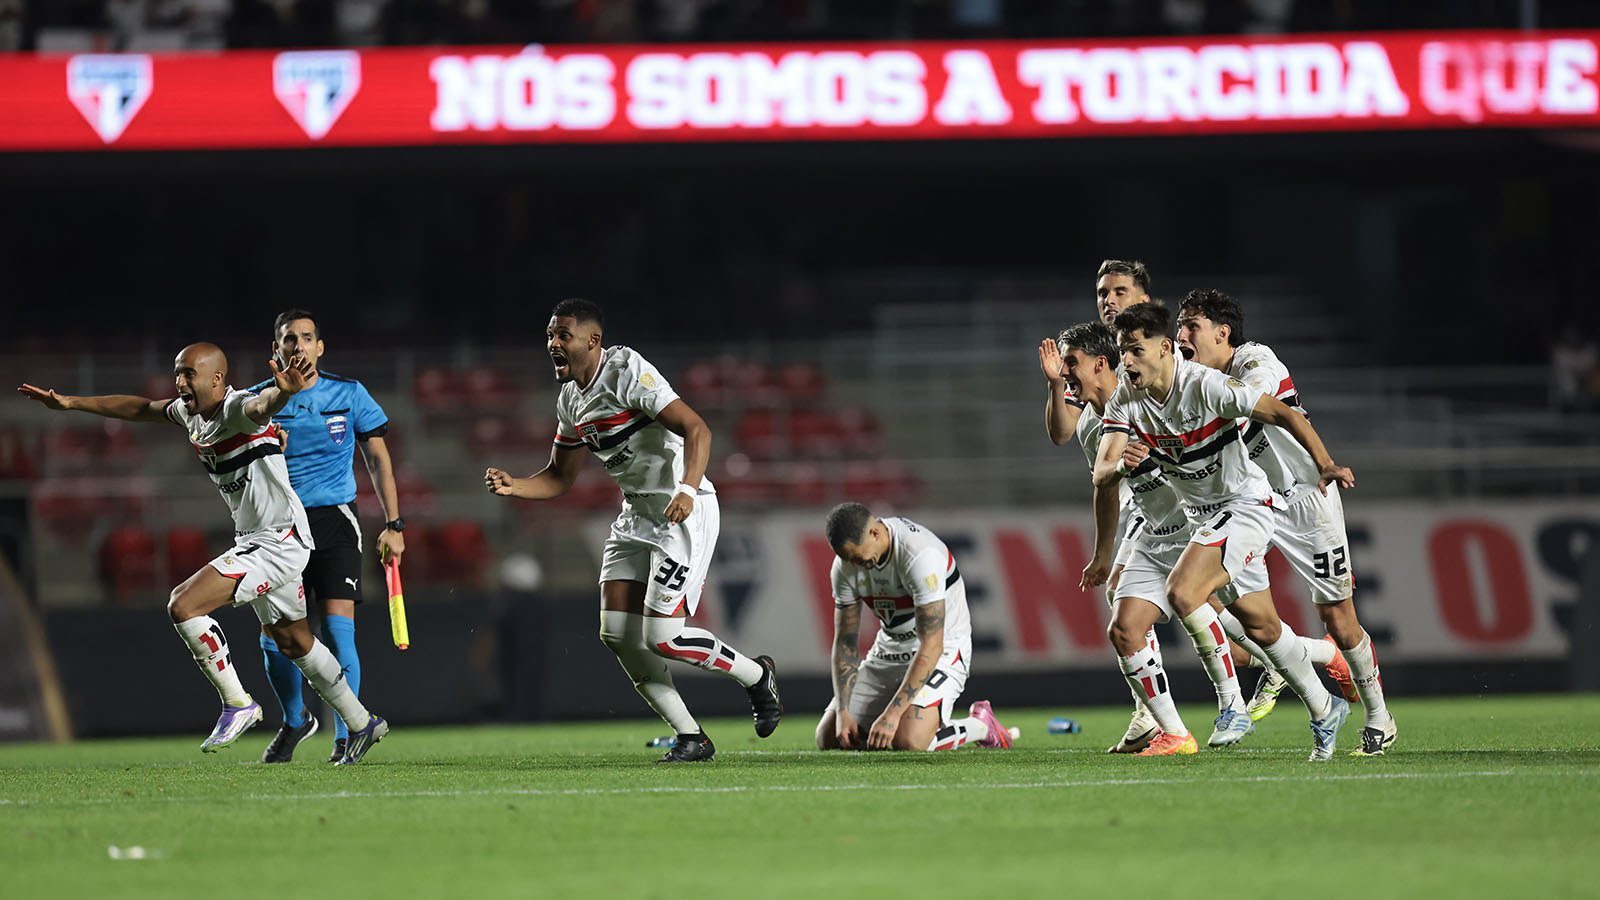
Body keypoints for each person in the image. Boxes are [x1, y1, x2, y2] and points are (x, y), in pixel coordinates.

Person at [18, 345, 388, 763]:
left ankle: (238, 702)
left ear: (217, 379)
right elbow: (141, 408)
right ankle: (362, 723)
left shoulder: (235, 410)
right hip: (263, 538)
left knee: (184, 603)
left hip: (278, 541)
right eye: (177, 373)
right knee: (294, 639)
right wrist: (71, 403)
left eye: (189, 374)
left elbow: (262, 404)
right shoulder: (190, 413)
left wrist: (282, 394)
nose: (179, 383)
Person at [484, 299, 781, 763]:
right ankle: (691, 736)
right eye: (549, 335)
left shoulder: (627, 370)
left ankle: (757, 676)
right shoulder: (570, 400)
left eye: (562, 335)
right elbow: (560, 478)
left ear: (593, 340)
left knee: (663, 636)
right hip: (637, 515)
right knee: (618, 632)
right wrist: (515, 485)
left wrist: (686, 487)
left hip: (683, 509)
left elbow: (697, 429)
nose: (552, 344)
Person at [1089, 303, 1354, 761]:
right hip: (1199, 518)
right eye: (1121, 351)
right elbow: (1101, 472)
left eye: (1135, 350)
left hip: (1245, 506)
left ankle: (1231, 705)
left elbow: (1284, 414)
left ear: (1165, 349)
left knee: (1184, 591)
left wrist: (1325, 463)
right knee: (1262, 628)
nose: (1126, 361)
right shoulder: (1125, 400)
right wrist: (1118, 466)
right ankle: (1323, 704)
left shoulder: (1206, 386)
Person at [1176, 289, 1396, 755]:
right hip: (1255, 502)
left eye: (1191, 326)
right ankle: (1289, 662)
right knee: (1209, 599)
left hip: (1307, 501)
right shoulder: (1197, 378)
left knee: (1338, 616)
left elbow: (1256, 404)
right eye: (1179, 326)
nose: (1182, 336)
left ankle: (1379, 715)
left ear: (1222, 333)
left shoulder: (1257, 362)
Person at [1061, 322, 1258, 755]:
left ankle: (1267, 682)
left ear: (1100, 364)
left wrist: (1160, 455)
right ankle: (1170, 729)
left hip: (1198, 524)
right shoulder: (1091, 425)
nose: (1064, 373)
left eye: (1071, 364)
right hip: (1155, 530)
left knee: (1250, 631)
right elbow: (1106, 487)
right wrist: (1102, 553)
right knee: (1125, 621)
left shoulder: (1146, 399)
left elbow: (1201, 447)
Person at [249, 309, 405, 764]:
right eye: (288, 339)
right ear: (275, 351)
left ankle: (347, 736)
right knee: (276, 638)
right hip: (279, 528)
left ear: (320, 347)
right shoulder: (260, 401)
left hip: (335, 523)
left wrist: (395, 526)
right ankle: (295, 721)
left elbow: (378, 460)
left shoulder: (349, 394)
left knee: (339, 635)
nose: (298, 346)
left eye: (306, 337)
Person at [816, 502, 1012, 752]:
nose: (853, 566)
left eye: (857, 558)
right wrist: (843, 711)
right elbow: (845, 643)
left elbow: (932, 643)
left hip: (944, 650)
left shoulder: (919, 554)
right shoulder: (844, 566)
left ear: (875, 533)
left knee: (908, 741)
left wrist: (892, 715)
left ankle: (981, 725)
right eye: (847, 559)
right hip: (888, 651)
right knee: (829, 737)